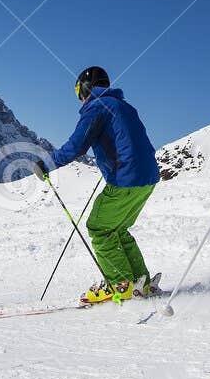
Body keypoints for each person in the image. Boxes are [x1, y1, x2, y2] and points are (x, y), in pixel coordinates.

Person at [36, 66, 162, 304]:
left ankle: (121, 284)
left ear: (85, 88)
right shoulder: (124, 106)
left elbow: (77, 145)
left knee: (99, 228)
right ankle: (141, 282)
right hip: (147, 178)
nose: (79, 98)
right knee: (117, 229)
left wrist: (47, 164)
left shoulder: (96, 107)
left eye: (78, 91)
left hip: (126, 179)